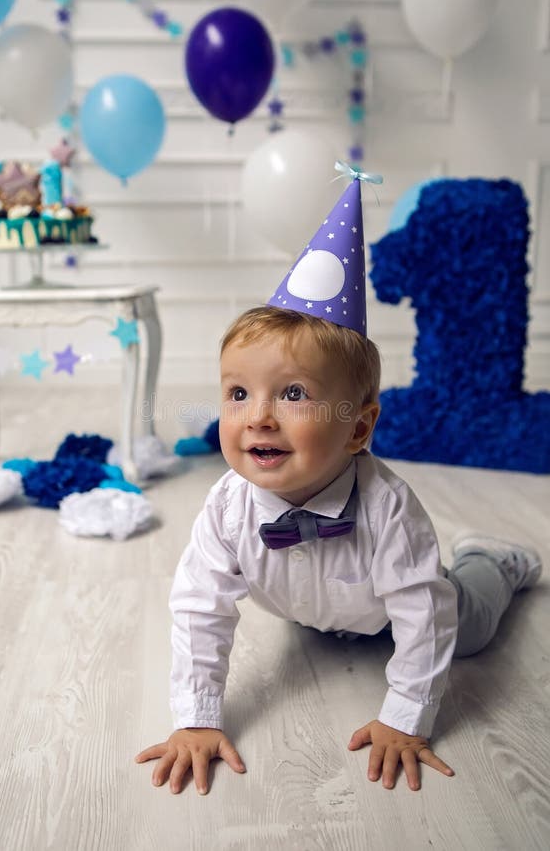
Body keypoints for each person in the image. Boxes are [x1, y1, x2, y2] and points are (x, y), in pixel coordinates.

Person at [135, 169, 542, 795]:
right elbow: (199, 607)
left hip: (388, 603)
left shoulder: (387, 507)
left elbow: (424, 617)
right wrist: (196, 718)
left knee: (468, 630)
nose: (258, 416)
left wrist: (404, 718)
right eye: (238, 393)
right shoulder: (226, 506)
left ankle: (491, 558)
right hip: (313, 607)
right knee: (305, 627)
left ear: (358, 428)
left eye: (293, 394)